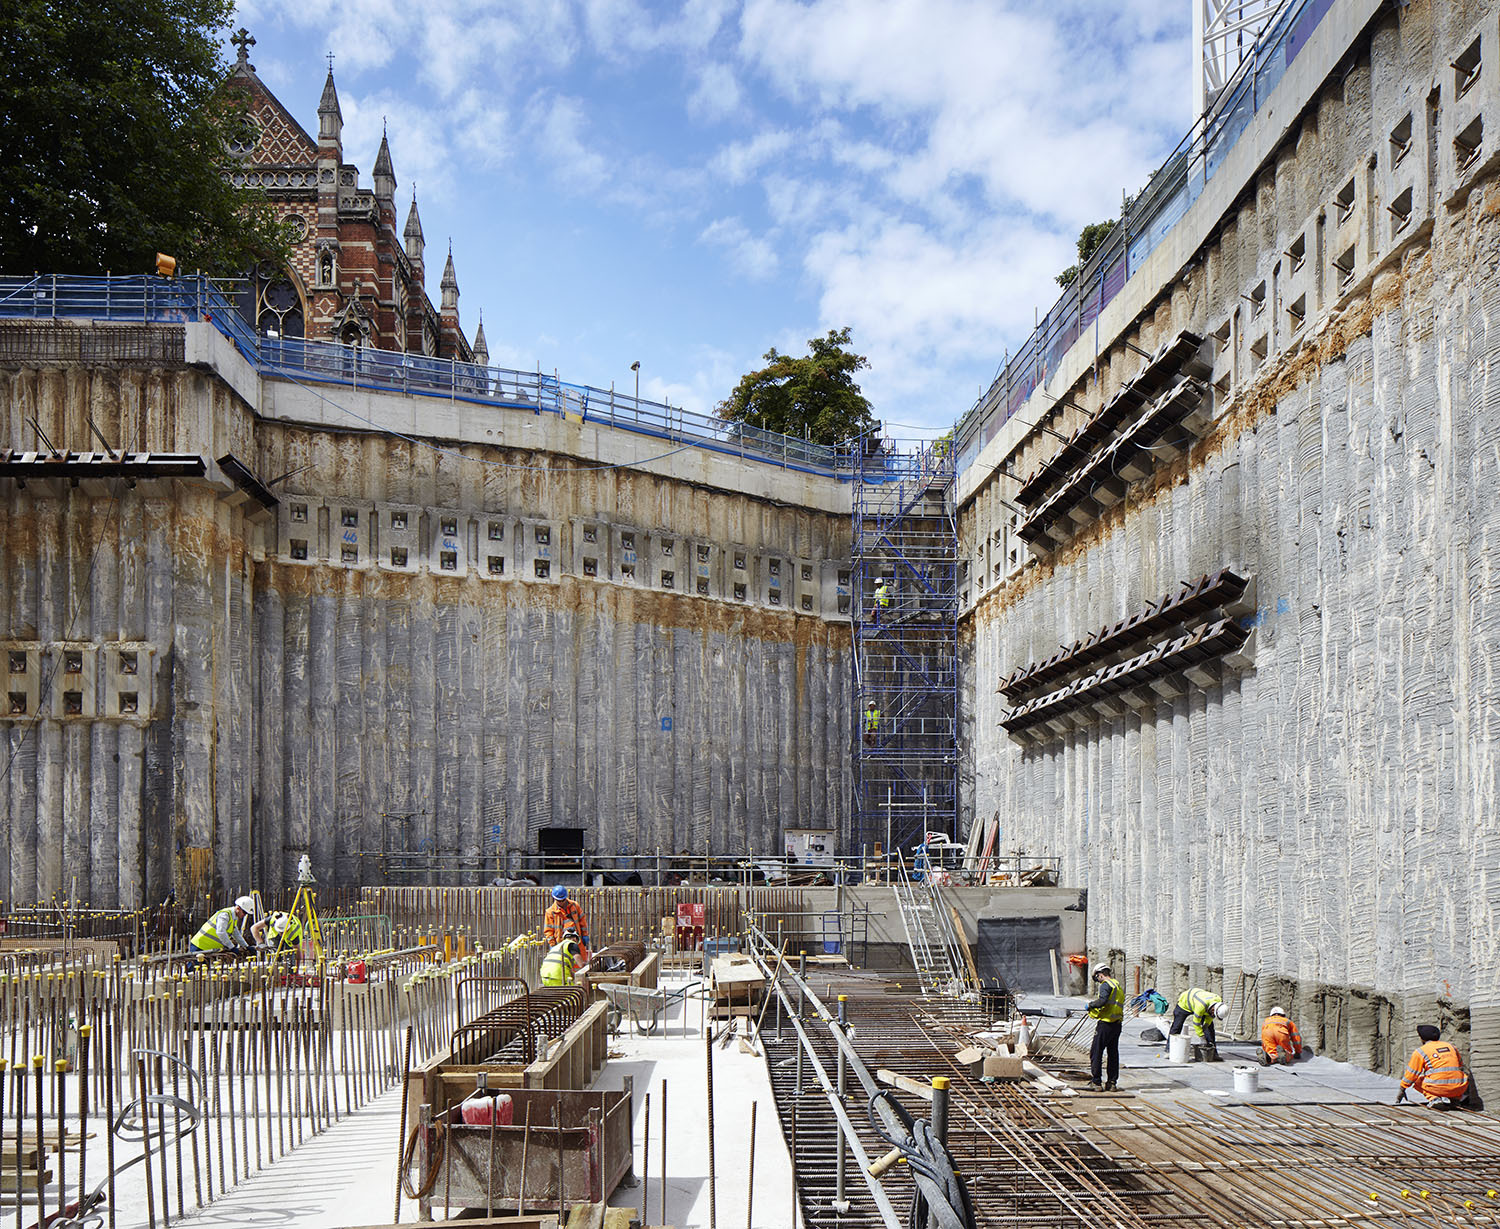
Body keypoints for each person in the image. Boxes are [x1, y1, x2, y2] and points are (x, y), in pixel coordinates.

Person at [1397, 1024, 1469, 1108]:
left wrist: (1402, 1089)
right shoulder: (1451, 1047)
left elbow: (1411, 1074)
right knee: (1455, 1076)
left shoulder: (1421, 1051)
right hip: (1459, 1087)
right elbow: (1459, 1065)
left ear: (1422, 1038)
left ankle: (1434, 1099)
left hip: (1437, 1088)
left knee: (1418, 1081)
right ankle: (1455, 1100)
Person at [1085, 962, 1125, 1091]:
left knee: (1096, 1051)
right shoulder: (1117, 986)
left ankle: (1096, 1082)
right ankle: (1112, 1083)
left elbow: (1102, 1001)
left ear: (1100, 975)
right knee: (1113, 1053)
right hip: (1116, 1024)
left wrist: (1090, 1005)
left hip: (1105, 1024)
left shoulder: (1106, 985)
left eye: (1097, 978)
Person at [190, 895, 258, 962]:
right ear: (238, 908)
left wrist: (246, 946)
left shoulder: (233, 918)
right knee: (193, 970)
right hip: (200, 945)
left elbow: (236, 934)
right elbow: (221, 932)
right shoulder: (225, 915)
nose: (244, 915)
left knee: (202, 970)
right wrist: (232, 947)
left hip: (208, 947)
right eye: (244, 912)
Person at [1169, 987, 1229, 1060]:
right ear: (1213, 1009)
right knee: (1176, 1026)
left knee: (1209, 1029)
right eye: (1214, 1014)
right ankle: (1169, 1050)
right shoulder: (1201, 1006)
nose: (1214, 1016)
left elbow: (1210, 1016)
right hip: (1185, 1002)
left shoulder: (1218, 1002)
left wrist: (1206, 1025)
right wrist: (1202, 1037)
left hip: (1200, 1002)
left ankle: (1213, 1054)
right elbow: (1196, 1023)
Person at [543, 886, 590, 960]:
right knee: (565, 965)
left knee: (580, 963)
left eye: (563, 900)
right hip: (561, 943)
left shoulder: (574, 906)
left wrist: (585, 935)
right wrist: (552, 944)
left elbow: (582, 921)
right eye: (559, 900)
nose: (561, 902)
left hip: (577, 940)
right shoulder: (550, 912)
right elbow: (548, 931)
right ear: (555, 899)